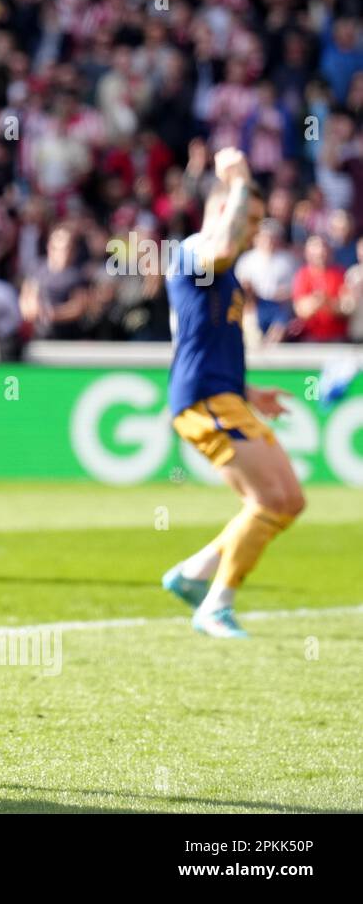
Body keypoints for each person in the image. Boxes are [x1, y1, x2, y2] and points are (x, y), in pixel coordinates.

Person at [162, 148, 305, 638]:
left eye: (259, 221)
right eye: (247, 216)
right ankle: (214, 605)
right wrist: (239, 178)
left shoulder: (229, 277)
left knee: (289, 501)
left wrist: (249, 389)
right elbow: (221, 245)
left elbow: (205, 341)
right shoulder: (194, 253)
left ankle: (193, 573)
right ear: (221, 210)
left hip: (226, 397)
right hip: (202, 401)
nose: (252, 230)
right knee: (269, 499)